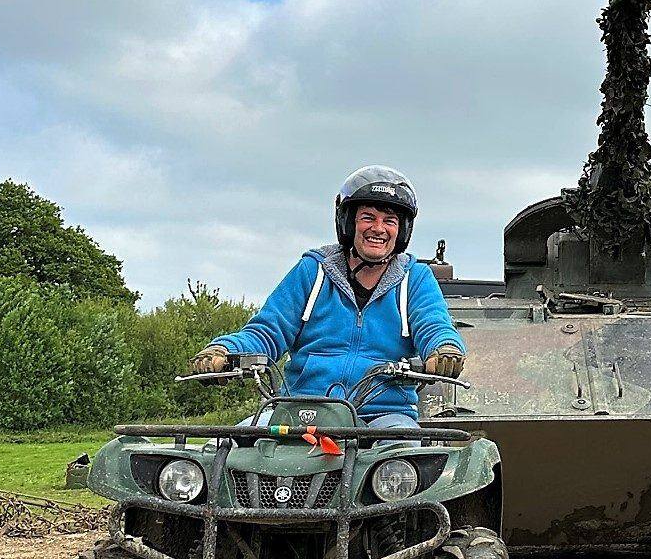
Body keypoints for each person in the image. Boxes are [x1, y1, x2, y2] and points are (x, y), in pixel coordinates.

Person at [187, 166, 465, 426]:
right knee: (231, 446)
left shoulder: (415, 278)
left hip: (383, 415)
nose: (379, 229)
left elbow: (434, 325)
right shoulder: (313, 271)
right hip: (299, 409)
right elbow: (267, 330)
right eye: (368, 218)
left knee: (405, 453)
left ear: (402, 230)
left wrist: (445, 350)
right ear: (347, 222)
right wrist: (224, 350)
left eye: (389, 221)